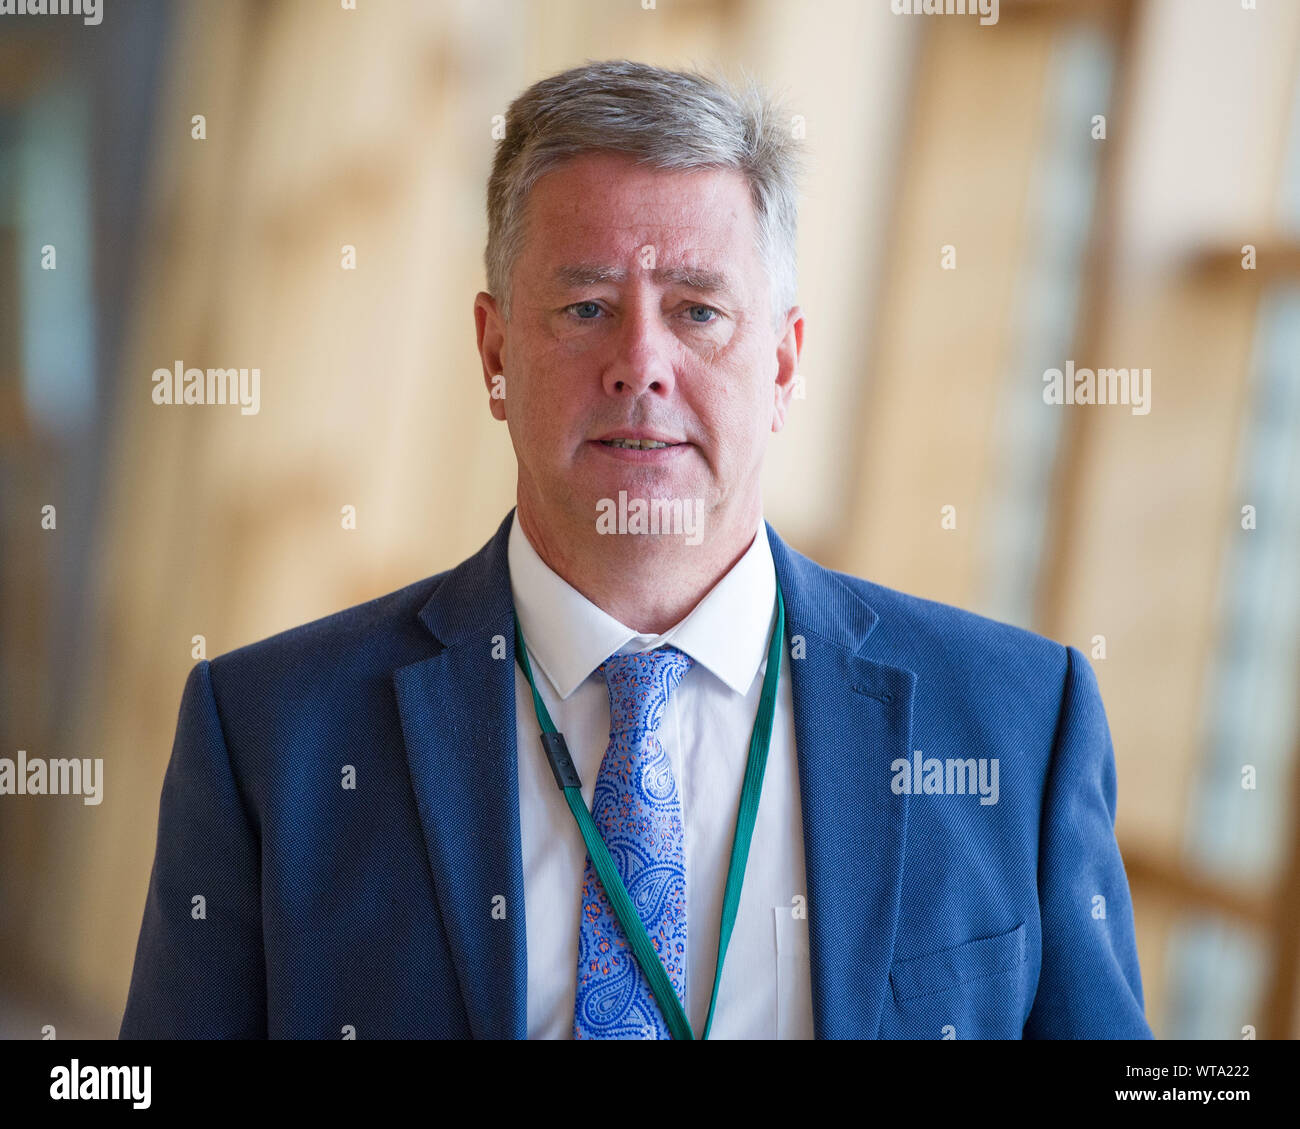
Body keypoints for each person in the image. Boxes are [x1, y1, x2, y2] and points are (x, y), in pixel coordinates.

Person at [120, 59, 1151, 1040]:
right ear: (494, 352)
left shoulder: (1018, 724)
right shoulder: (270, 736)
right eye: (586, 309)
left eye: (698, 311)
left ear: (785, 363)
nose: (641, 365)